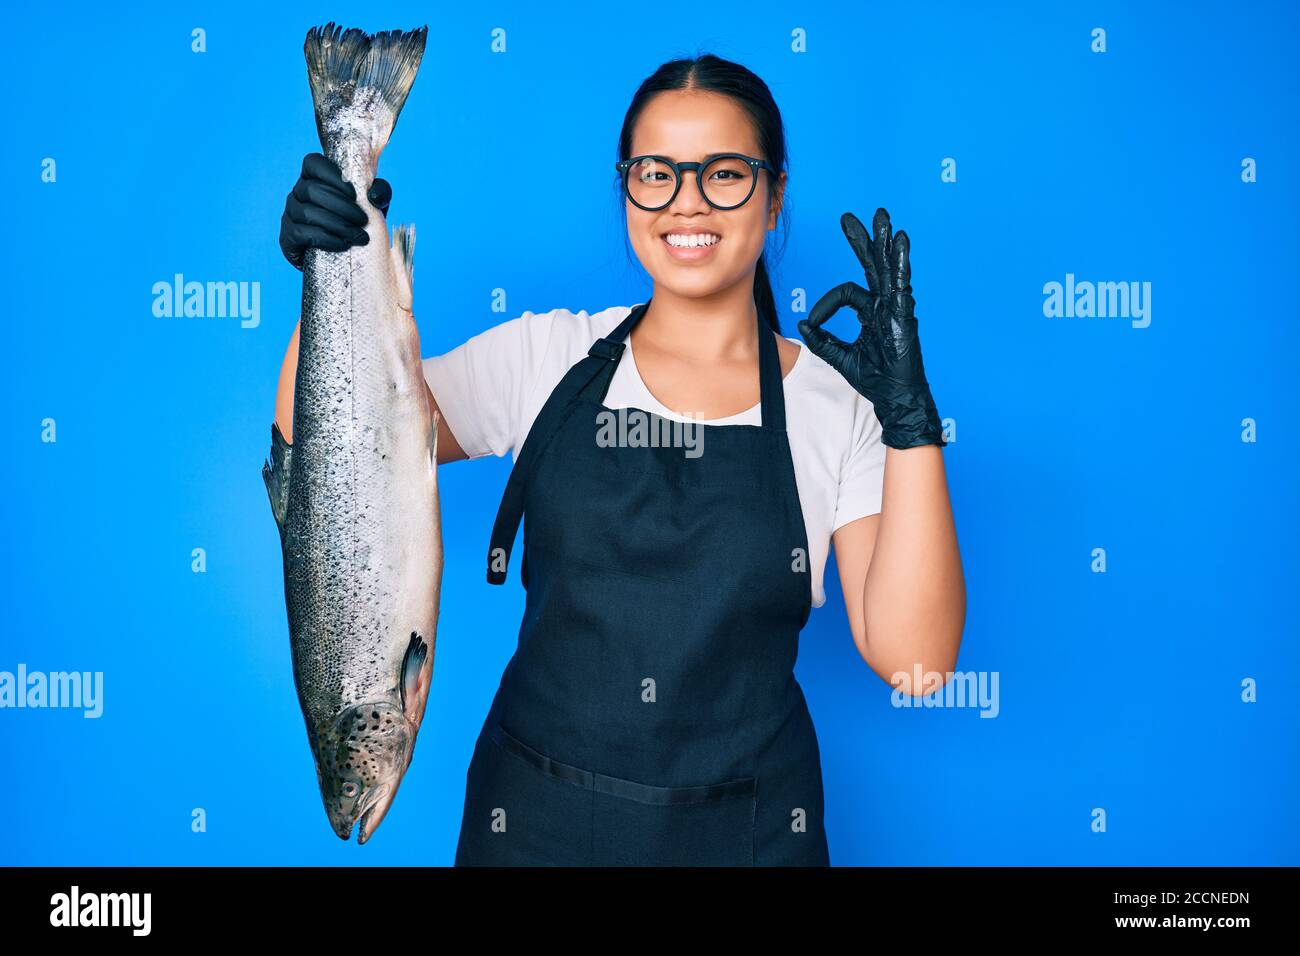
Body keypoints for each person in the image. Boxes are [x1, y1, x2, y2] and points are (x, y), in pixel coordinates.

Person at [273, 53, 965, 866]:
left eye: (726, 174)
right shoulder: (545, 357)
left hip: (747, 839)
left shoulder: (840, 404)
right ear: (626, 187)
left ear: (775, 195)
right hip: (532, 828)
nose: (687, 202)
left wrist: (911, 424)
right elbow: (320, 450)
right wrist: (326, 265)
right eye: (656, 173)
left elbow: (917, 664)